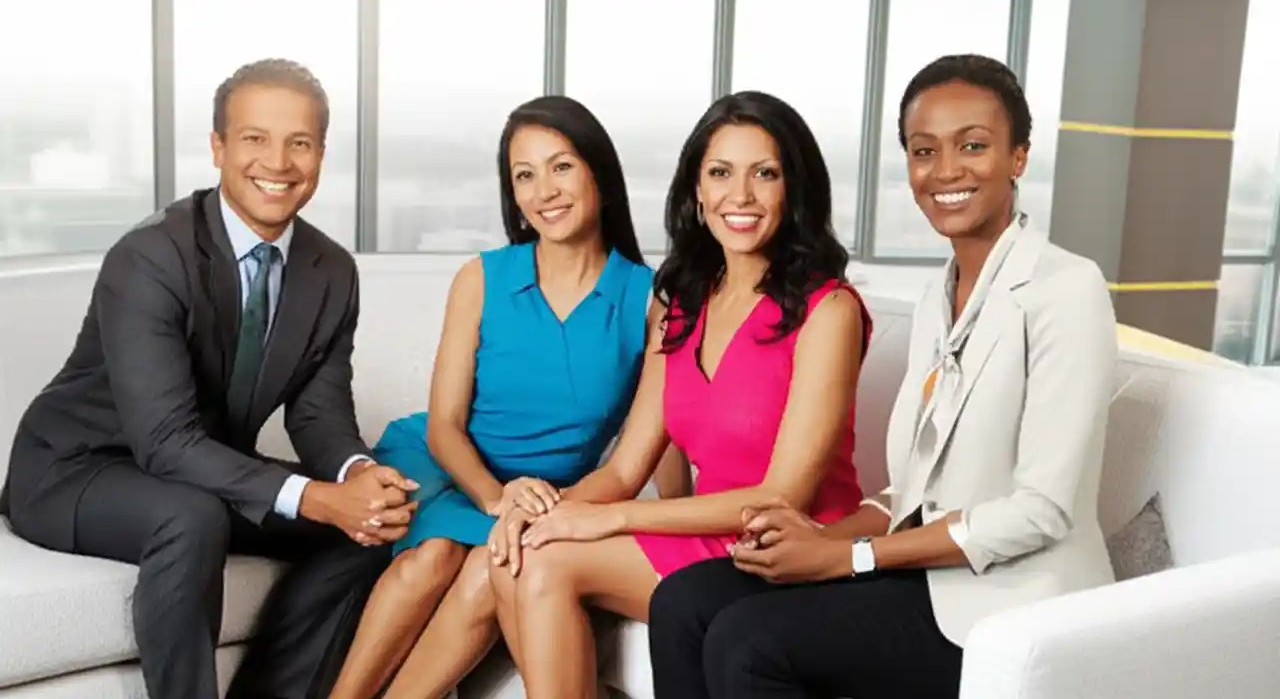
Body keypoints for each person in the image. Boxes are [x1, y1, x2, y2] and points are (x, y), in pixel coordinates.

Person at [647, 54, 1119, 699]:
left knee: (748, 642)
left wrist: (849, 557)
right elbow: (913, 492)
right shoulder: (940, 297)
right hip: (923, 575)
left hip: (1011, 607)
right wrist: (820, 538)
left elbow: (1040, 513)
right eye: (925, 151)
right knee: (683, 603)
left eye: (973, 145)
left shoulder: (1067, 288)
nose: (946, 170)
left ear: (1019, 157)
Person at [0, 59, 417, 699]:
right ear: (219, 147)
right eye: (254, 138)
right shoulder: (150, 257)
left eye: (298, 142)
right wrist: (312, 497)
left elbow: (319, 414)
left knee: (364, 533)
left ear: (321, 155)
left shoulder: (331, 270)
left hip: (207, 466)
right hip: (74, 471)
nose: (277, 162)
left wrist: (356, 479)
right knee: (191, 517)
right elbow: (164, 441)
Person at [487, 90, 872, 699]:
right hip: (700, 529)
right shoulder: (681, 304)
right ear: (697, 190)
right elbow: (625, 467)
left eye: (763, 174)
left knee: (545, 565)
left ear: (792, 190)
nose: (739, 196)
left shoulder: (829, 311)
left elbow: (783, 495)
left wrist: (608, 518)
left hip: (785, 544)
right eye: (720, 173)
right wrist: (546, 513)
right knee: (521, 549)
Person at [327, 95, 661, 699]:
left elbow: (655, 440)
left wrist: (677, 524)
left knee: (489, 566)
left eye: (561, 166)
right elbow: (444, 426)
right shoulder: (481, 277)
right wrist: (494, 498)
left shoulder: (646, 300)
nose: (544, 191)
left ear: (599, 174)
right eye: (524, 176)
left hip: (542, 495)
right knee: (429, 561)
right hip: (445, 465)